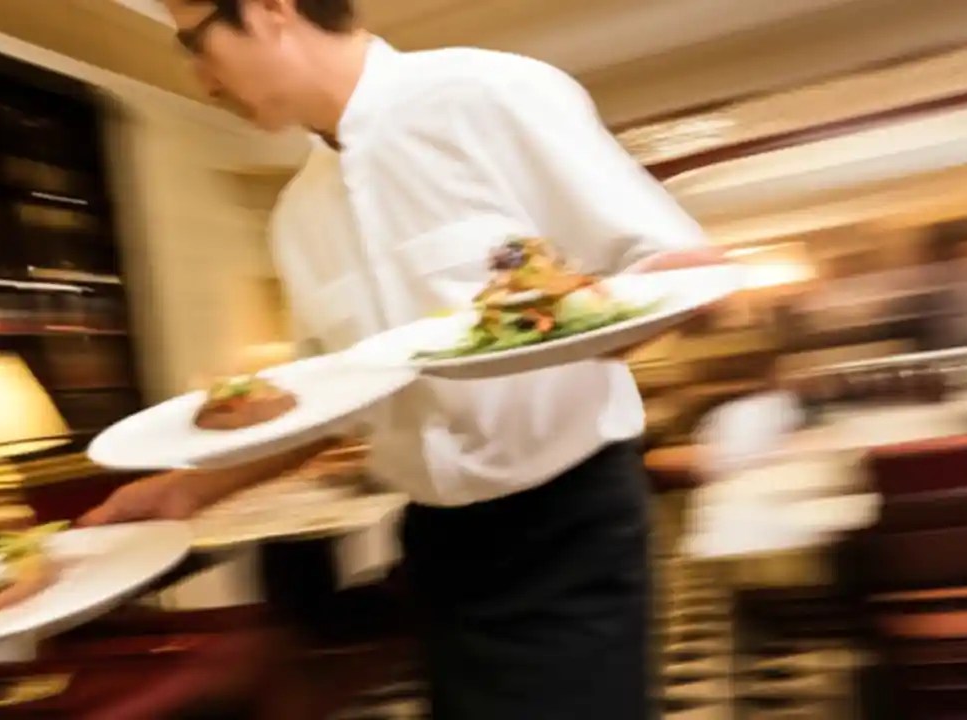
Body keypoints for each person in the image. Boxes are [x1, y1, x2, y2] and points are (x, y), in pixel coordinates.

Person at [82, 1, 721, 717]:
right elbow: (328, 401)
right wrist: (181, 491)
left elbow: (678, 268)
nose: (201, 79)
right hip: (437, 543)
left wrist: (543, 322)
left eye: (195, 45)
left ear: (269, 11)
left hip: (566, 526)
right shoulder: (298, 216)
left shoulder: (488, 96)